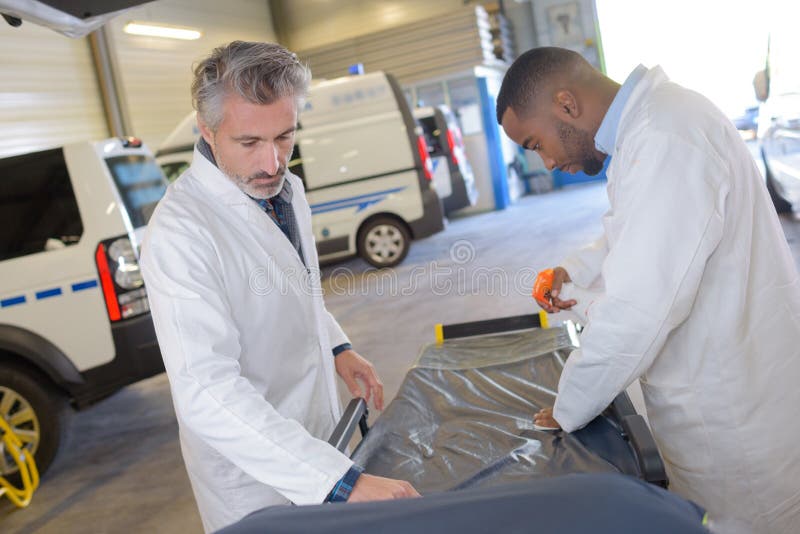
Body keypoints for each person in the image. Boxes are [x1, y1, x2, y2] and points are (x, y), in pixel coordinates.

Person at [496, 46, 800, 533]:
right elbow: (632, 232)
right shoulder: (651, 127)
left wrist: (569, 405)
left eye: (535, 143)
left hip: (738, 425)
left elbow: (637, 309)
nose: (547, 161)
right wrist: (571, 272)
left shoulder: (667, 136)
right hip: (719, 398)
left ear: (567, 105)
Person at [140, 41, 418, 533]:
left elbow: (295, 286)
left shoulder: (288, 190)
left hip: (317, 435)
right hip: (253, 478)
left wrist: (336, 345)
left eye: (285, 137)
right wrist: (339, 483)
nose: (272, 163)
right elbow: (205, 389)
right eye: (249, 143)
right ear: (206, 131)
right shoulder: (181, 232)